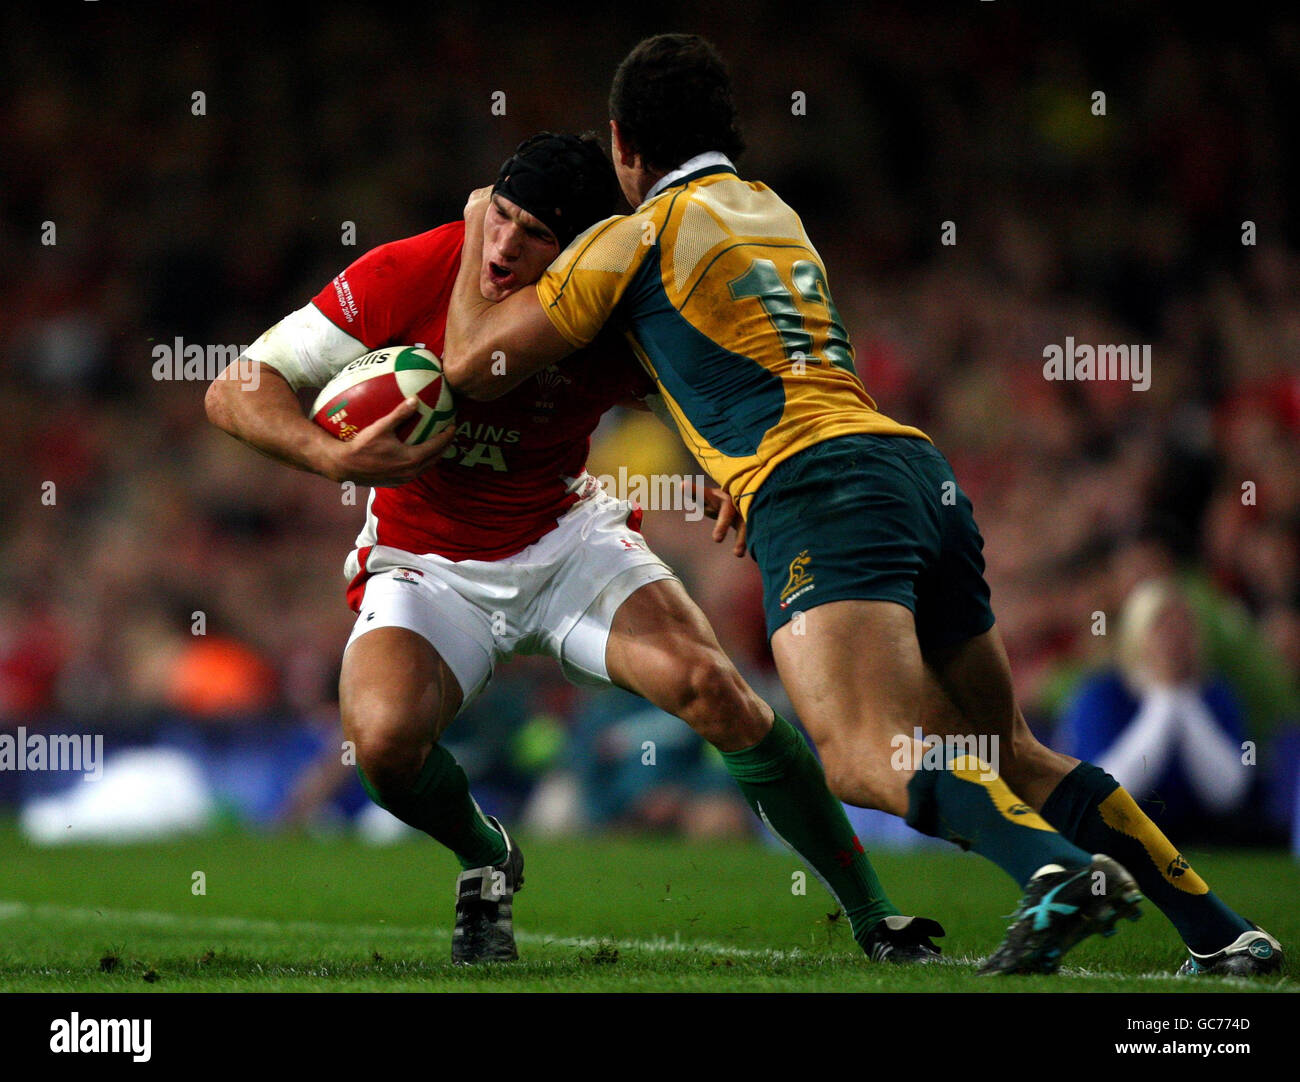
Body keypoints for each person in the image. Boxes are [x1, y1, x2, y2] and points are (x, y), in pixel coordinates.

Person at [440, 39, 1283, 977]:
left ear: (622, 142)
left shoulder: (630, 237)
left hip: (821, 492)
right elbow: (732, 353)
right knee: (1002, 746)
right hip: (913, 471)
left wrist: (482, 219)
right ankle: (1224, 931)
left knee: (855, 752)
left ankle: (1053, 872)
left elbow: (476, 367)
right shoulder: (774, 214)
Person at [206, 132, 943, 966]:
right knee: (380, 746)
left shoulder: (611, 308)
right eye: (504, 217)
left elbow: (705, 392)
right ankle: (488, 856)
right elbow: (235, 387)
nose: (504, 245)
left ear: (580, 250)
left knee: (716, 692)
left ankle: (876, 918)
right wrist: (330, 456)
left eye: (536, 234)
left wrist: (732, 465)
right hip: (427, 563)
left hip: (564, 541)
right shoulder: (408, 271)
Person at [1058, 578, 1255, 841]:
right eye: (1161, 626)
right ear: (1137, 634)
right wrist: (1163, 702)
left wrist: (1181, 700)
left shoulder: (1217, 695)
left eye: (1183, 626)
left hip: (1205, 839)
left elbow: (1228, 793)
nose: (1174, 638)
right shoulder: (1100, 695)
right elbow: (1108, 790)